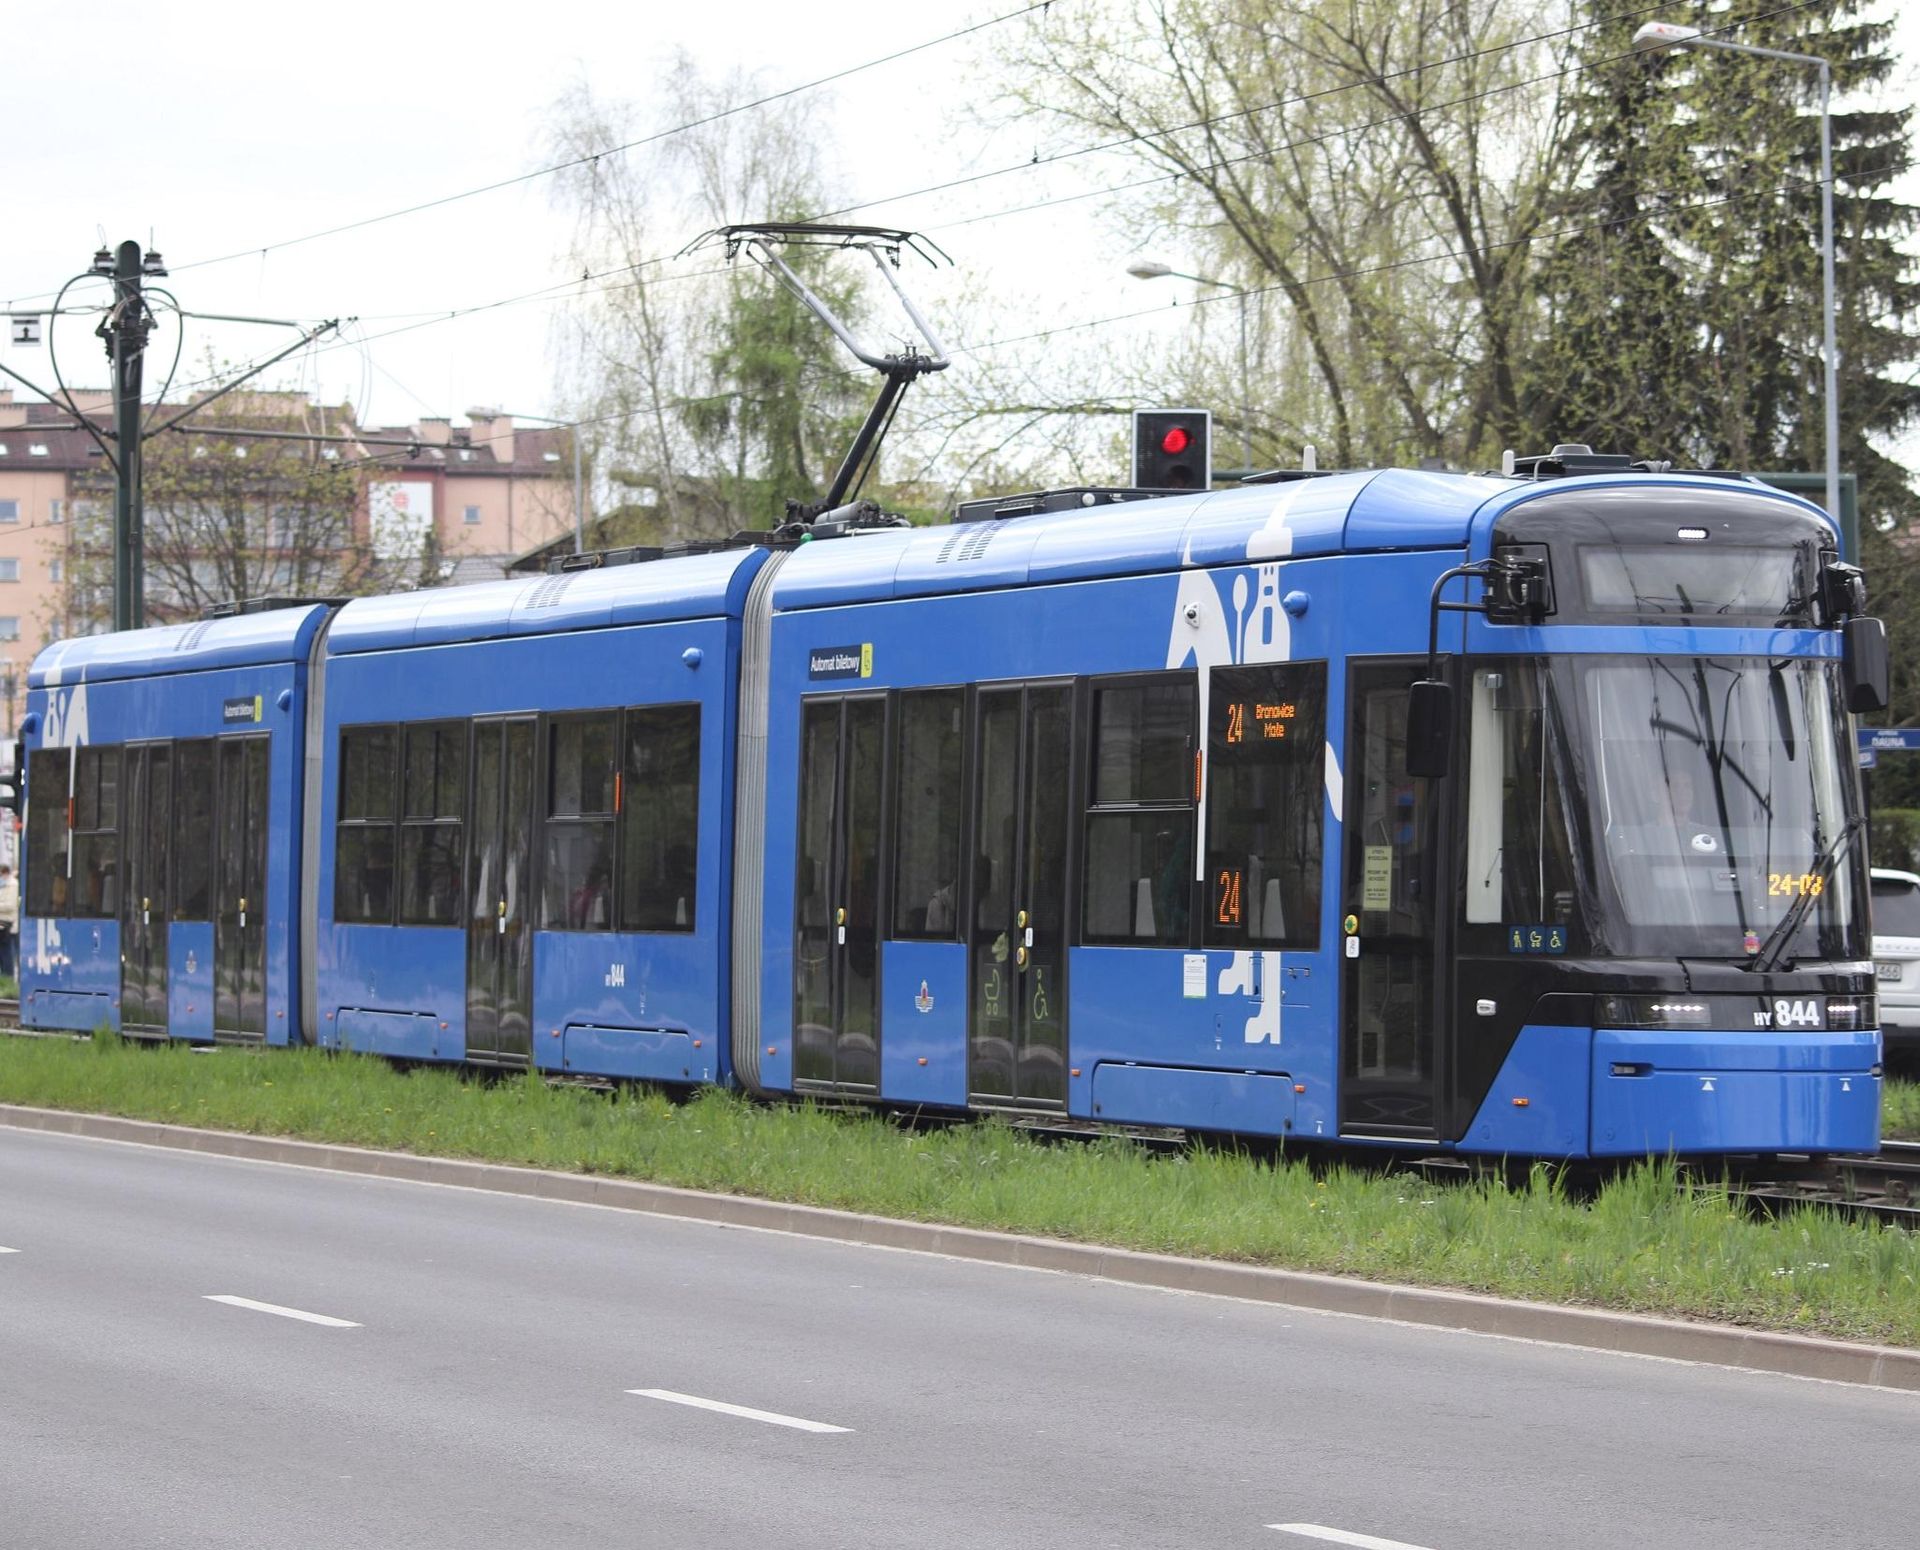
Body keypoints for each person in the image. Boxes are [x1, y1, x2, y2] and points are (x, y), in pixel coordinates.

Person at [0, 862, 17, 978]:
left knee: (6, 953)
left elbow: (10, 905)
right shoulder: (3, 885)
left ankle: (8, 978)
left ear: (5, 873)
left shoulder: (12, 885)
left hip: (7, 922)